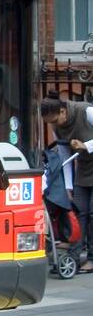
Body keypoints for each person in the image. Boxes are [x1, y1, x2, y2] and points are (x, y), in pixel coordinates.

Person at [40, 96, 93, 272]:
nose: (54, 125)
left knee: (92, 214)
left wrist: (86, 145)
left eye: (54, 120)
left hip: (88, 158)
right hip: (84, 170)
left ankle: (91, 259)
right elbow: (65, 155)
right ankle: (75, 257)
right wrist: (68, 186)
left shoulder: (86, 111)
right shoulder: (57, 126)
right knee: (79, 212)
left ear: (62, 111)